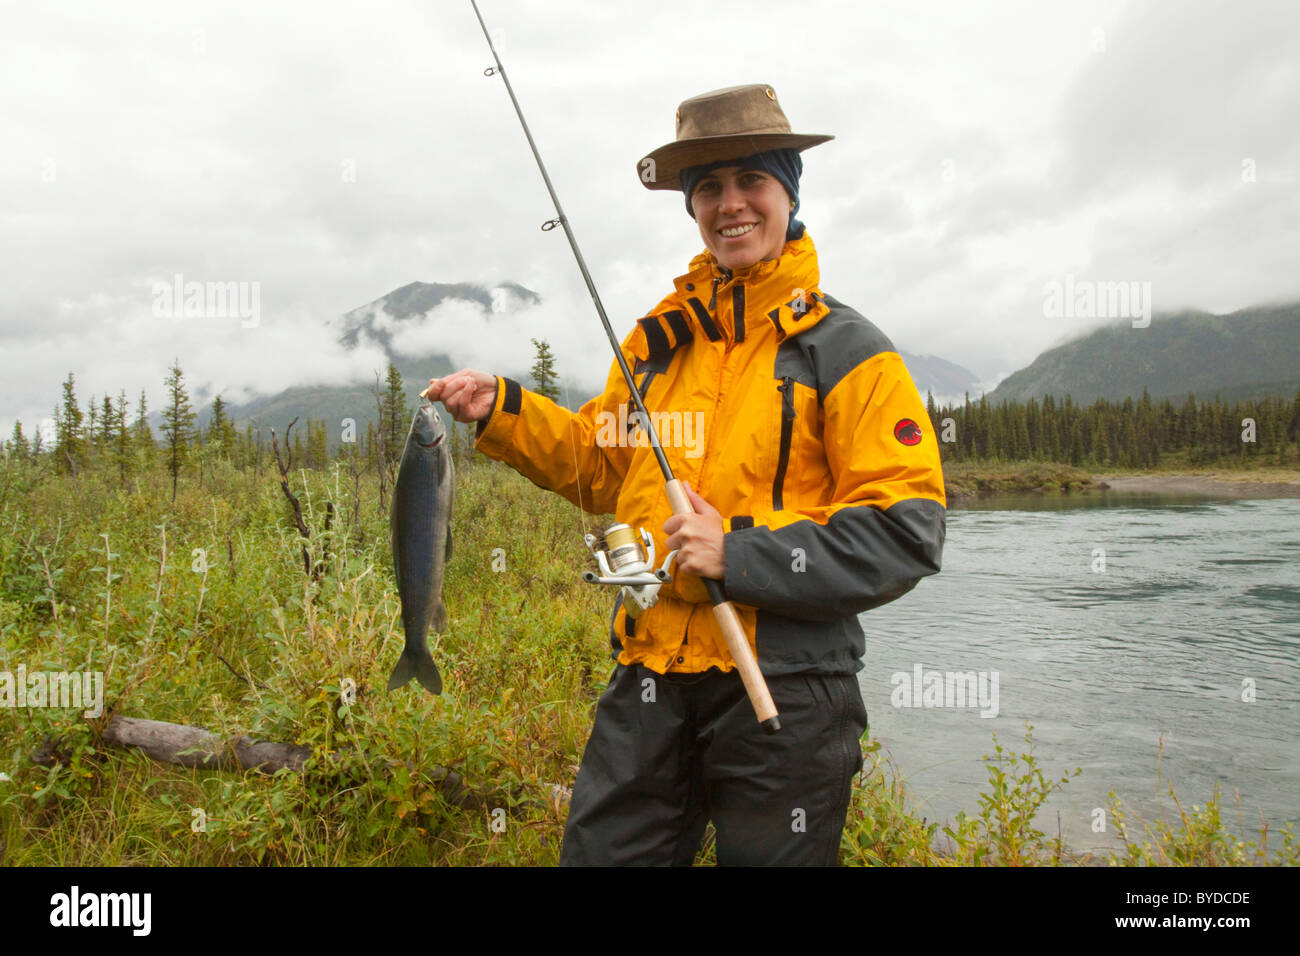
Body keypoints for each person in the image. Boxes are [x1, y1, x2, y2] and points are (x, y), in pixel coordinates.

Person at [427, 84, 946, 866]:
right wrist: (501, 408)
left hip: (788, 690)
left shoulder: (847, 351)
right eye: (708, 188)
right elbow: (597, 466)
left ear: (787, 193)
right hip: (649, 675)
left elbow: (907, 531)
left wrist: (739, 554)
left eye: (751, 182)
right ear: (692, 207)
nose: (729, 204)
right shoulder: (657, 344)